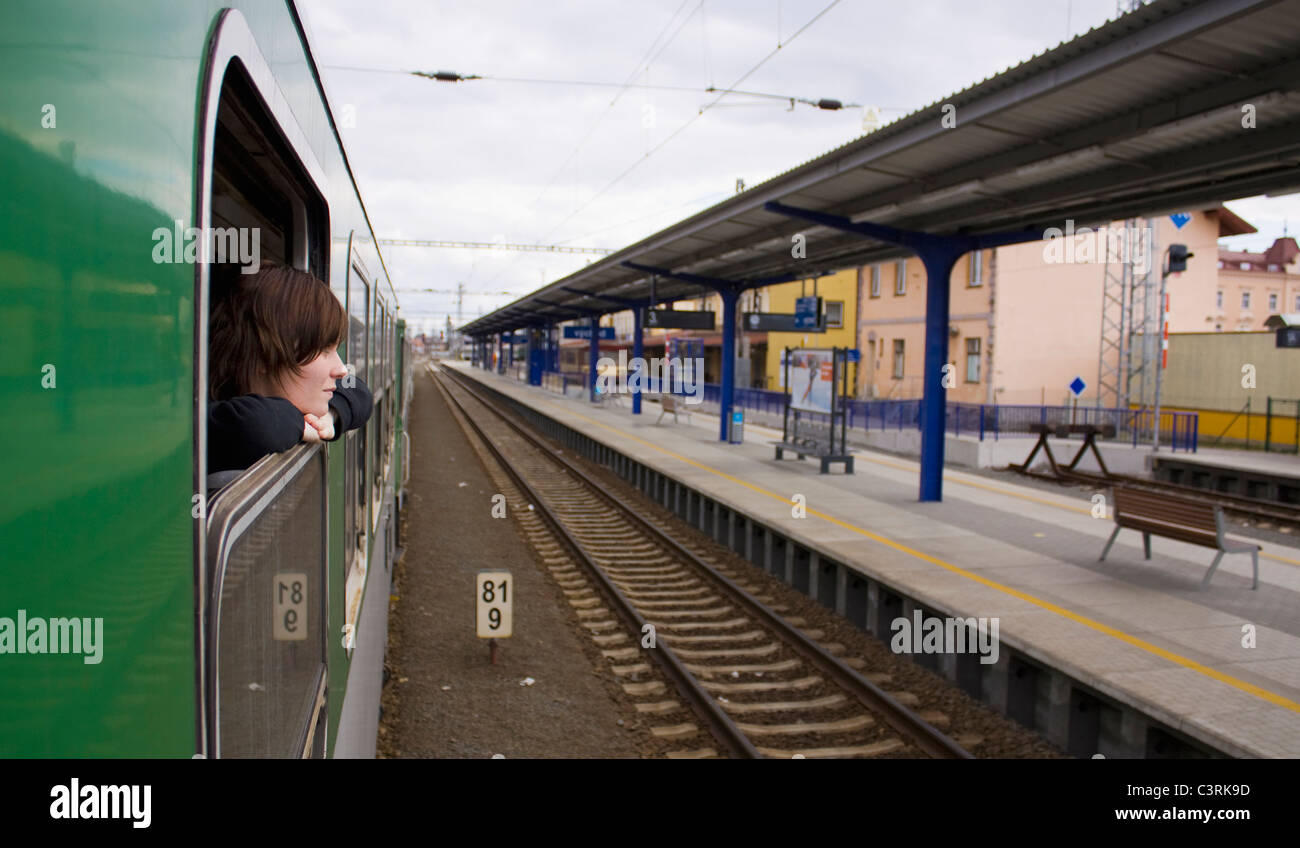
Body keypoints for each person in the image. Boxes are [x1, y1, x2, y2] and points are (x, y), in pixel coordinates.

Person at [207, 264, 372, 474]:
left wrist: (330, 417)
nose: (342, 369)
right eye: (323, 350)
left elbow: (359, 392)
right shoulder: (210, 426)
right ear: (264, 355)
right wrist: (298, 421)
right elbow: (257, 425)